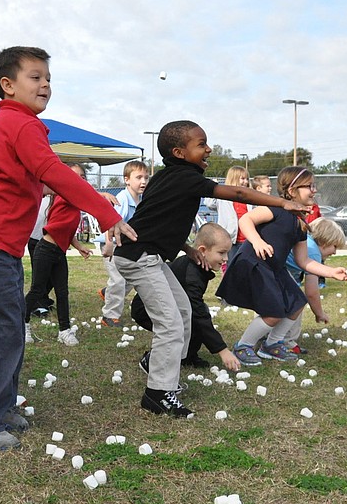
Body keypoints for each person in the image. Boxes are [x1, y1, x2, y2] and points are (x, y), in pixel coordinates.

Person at [0, 47, 134, 451]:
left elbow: (29, 178)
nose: (45, 84)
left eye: (48, 77)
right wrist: (106, 212)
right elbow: (52, 171)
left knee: (10, 332)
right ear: (8, 85)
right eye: (35, 77)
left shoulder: (14, 124)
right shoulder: (19, 123)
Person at [114, 121, 308, 418]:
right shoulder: (185, 178)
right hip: (140, 257)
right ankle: (158, 394)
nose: (209, 148)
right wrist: (282, 203)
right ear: (179, 152)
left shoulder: (168, 177)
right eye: (201, 144)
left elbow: (159, 222)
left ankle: (158, 365)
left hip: (146, 254)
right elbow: (238, 195)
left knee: (182, 312)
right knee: (171, 323)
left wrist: (189, 249)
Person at [217, 166, 347, 366]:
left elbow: (303, 261)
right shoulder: (275, 208)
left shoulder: (300, 223)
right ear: (291, 189)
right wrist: (257, 241)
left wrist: (331, 272)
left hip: (274, 267)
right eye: (309, 186)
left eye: (314, 186)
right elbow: (246, 219)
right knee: (273, 312)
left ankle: (272, 344)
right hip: (256, 263)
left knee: (297, 302)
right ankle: (243, 345)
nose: (314, 190)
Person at [129, 223, 241, 372]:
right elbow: (196, 314)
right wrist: (222, 350)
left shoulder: (198, 268)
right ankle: (153, 359)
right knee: (182, 323)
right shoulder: (192, 275)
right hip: (145, 309)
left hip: (163, 306)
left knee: (195, 318)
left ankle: (187, 356)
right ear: (202, 250)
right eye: (221, 253)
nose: (226, 258)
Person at [24, 165, 94, 346]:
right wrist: (102, 197)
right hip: (45, 250)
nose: (79, 179)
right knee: (37, 290)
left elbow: (66, 230)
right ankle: (21, 325)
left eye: (82, 176)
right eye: (74, 176)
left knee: (62, 293)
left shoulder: (73, 202)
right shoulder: (65, 195)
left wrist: (79, 247)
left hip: (59, 253)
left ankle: (64, 330)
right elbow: (88, 199)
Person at [282, 217, 347, 356]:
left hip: (267, 275)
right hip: (276, 278)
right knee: (297, 302)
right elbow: (311, 292)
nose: (334, 252)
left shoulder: (307, 243)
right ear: (325, 241)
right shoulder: (313, 252)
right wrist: (319, 313)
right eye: (334, 246)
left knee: (279, 307)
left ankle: (268, 337)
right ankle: (286, 342)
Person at [98, 160, 148, 328]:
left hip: (123, 246)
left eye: (146, 178)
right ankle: (109, 316)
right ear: (127, 179)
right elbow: (109, 222)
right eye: (138, 177)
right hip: (111, 243)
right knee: (118, 280)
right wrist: (108, 244)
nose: (143, 182)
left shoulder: (140, 199)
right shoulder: (122, 198)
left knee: (132, 278)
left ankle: (107, 293)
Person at [208, 165, 248, 244]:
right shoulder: (224, 197)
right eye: (243, 179)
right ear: (233, 179)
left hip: (247, 239)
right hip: (229, 239)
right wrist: (213, 186)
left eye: (247, 179)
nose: (246, 182)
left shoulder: (248, 197)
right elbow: (210, 204)